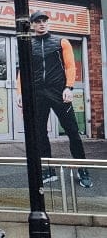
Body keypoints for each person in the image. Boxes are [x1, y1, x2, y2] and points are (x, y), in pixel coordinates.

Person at [24, 11, 93, 188]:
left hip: (59, 92)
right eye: (37, 21)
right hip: (38, 93)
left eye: (44, 21)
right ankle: (48, 170)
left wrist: (69, 87)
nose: (41, 24)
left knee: (73, 132)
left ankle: (83, 169)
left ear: (48, 23)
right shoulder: (28, 45)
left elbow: (71, 67)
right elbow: (22, 71)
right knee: (40, 133)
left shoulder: (61, 42)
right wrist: (20, 92)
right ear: (32, 25)